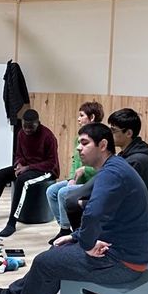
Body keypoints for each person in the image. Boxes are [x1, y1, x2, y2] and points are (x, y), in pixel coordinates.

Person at [0, 123, 148, 294]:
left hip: (124, 263)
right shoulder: (114, 168)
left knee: (43, 261)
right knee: (55, 254)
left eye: (84, 143)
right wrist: (74, 236)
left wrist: (87, 244)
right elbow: (107, 218)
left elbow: (93, 213)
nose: (78, 148)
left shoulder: (111, 173)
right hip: (119, 249)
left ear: (102, 145)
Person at [62, 107, 148, 233]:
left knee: (75, 202)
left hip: (142, 218)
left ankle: (84, 240)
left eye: (113, 130)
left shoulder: (137, 159)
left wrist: (83, 201)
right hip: (128, 208)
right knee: (72, 198)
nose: (109, 134)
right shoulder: (127, 154)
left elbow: (113, 191)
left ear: (128, 133)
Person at [0, 109, 59, 238]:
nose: (27, 129)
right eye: (25, 126)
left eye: (30, 127)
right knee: (0, 174)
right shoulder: (21, 133)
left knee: (22, 181)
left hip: (45, 170)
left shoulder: (48, 136)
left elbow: (52, 163)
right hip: (27, 167)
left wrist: (28, 168)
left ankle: (12, 223)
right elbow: (19, 154)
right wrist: (19, 163)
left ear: (38, 123)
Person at [45, 101, 104, 244]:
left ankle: (66, 230)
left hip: (93, 182)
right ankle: (65, 228)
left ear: (92, 117)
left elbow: (103, 166)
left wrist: (85, 170)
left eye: (81, 115)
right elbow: (74, 162)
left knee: (63, 193)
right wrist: (72, 177)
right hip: (79, 180)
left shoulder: (101, 137)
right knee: (51, 191)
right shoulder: (77, 138)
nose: (78, 119)